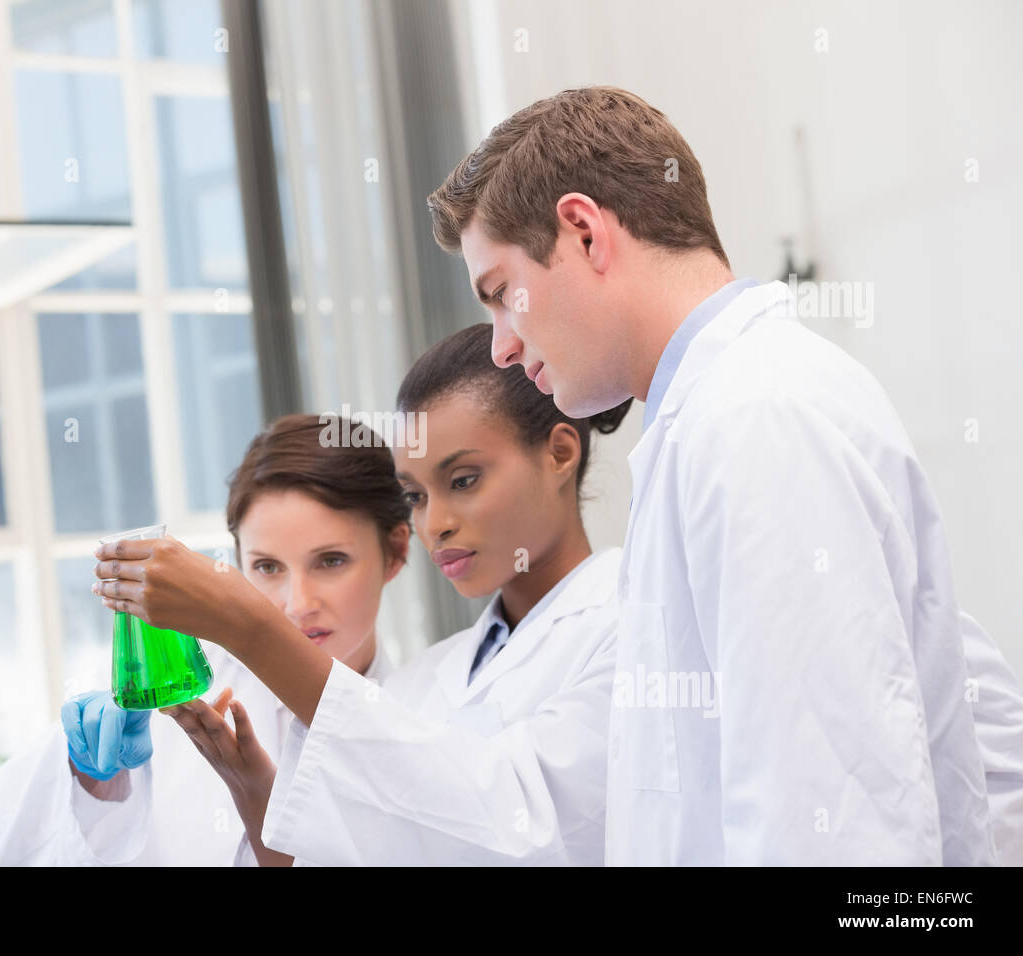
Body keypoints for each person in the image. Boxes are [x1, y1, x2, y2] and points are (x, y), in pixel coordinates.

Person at [425, 84, 1019, 864]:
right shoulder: (719, 415)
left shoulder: (756, 417)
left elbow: (829, 815)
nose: (500, 345)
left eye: (502, 295)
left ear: (582, 231)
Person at [98, 324, 632, 865]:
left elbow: (524, 827)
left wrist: (252, 628)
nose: (436, 524)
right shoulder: (419, 681)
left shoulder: (629, 628)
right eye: (415, 496)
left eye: (464, 480)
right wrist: (255, 790)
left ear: (560, 454)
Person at [0, 414, 409, 865]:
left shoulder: (422, 720)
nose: (297, 603)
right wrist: (85, 778)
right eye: (268, 567)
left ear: (395, 552)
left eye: (331, 561)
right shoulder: (171, 684)